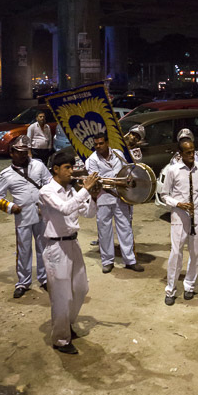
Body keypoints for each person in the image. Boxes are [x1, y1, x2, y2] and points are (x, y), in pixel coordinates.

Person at [39, 151, 100, 354]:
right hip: (56, 248)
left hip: (73, 245)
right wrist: (85, 189)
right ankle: (60, 339)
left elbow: (89, 213)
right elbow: (65, 209)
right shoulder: (46, 191)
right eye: (67, 168)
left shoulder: (72, 191)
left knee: (81, 288)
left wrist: (93, 196)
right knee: (61, 296)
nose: (72, 171)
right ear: (56, 169)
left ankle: (67, 324)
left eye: (72, 167)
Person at [0, 135, 52, 298]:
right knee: (24, 250)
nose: (24, 155)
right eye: (19, 152)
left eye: (26, 151)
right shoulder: (6, 174)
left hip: (41, 214)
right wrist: (11, 207)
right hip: (23, 217)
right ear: (12, 152)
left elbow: (50, 184)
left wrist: (46, 202)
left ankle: (44, 278)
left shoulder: (38, 166)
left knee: (43, 248)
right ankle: (24, 282)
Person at [85, 133, 144, 273]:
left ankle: (130, 260)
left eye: (101, 143)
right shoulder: (92, 160)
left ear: (107, 142)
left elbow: (128, 170)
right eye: (96, 144)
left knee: (125, 228)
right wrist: (119, 182)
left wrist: (128, 182)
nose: (98, 146)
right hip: (103, 198)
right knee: (104, 230)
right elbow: (96, 180)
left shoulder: (118, 154)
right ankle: (107, 261)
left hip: (121, 197)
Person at [162, 138, 198, 304]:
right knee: (176, 253)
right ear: (180, 154)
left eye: (193, 151)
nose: (191, 155)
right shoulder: (172, 170)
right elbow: (164, 195)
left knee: (195, 253)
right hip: (179, 217)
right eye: (188, 153)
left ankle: (189, 285)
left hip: (197, 216)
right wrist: (178, 204)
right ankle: (171, 290)